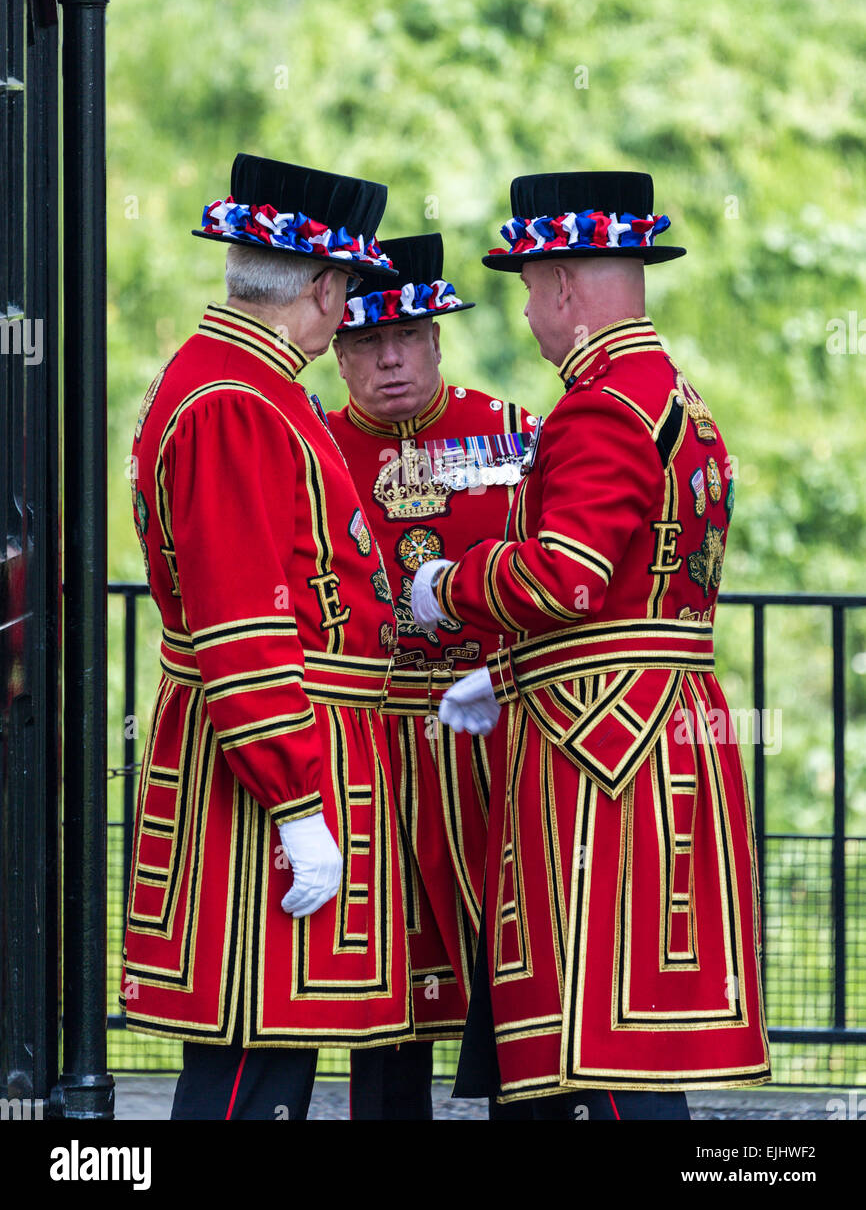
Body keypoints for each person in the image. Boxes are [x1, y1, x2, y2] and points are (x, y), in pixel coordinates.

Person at [412, 170, 771, 1119]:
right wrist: (506, 673)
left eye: (531, 289)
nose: (530, 314)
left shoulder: (602, 405)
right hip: (660, 722)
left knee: (588, 1042)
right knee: (623, 1035)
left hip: (599, 747)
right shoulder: (679, 398)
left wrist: (449, 587)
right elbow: (630, 595)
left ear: (565, 283)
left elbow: (566, 577)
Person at [120, 154, 413, 1120]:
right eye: (349, 291)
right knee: (253, 1057)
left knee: (271, 1053)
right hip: (268, 759)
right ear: (323, 288)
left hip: (281, 746)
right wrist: (295, 800)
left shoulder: (239, 380)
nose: (348, 312)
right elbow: (241, 622)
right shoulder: (236, 400)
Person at [329, 232, 535, 1119]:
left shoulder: (510, 435)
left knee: (519, 964)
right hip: (371, 744)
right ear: (336, 351)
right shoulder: (316, 445)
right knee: (384, 978)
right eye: (368, 341)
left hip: (493, 737)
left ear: (438, 339)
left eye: (407, 337)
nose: (391, 360)